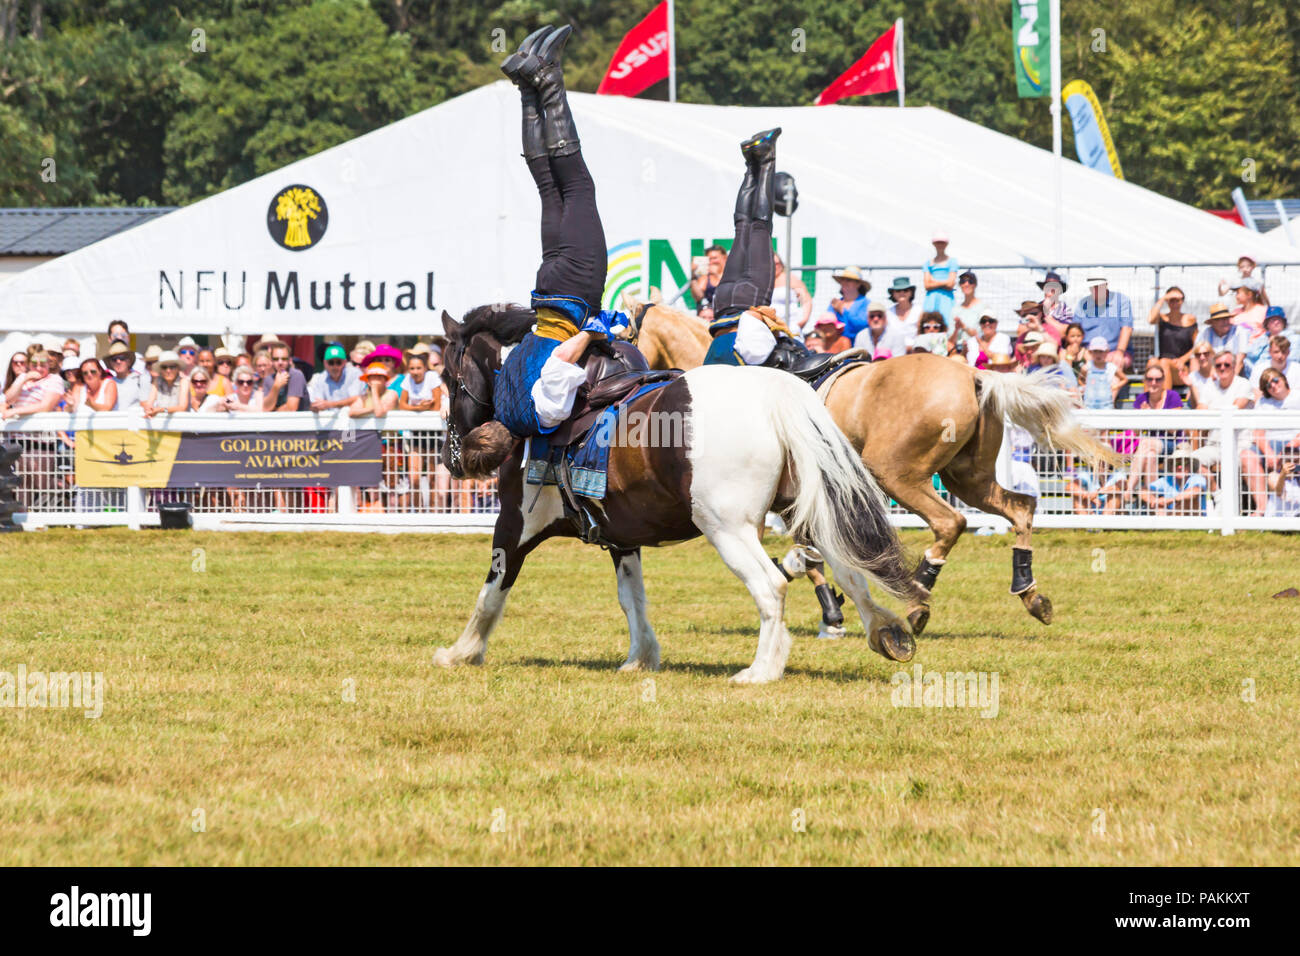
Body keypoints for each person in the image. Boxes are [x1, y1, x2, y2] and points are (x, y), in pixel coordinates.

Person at [698, 127, 827, 375]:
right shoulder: (713, 362)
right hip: (723, 301)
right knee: (747, 227)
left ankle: (761, 160)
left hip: (739, 307)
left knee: (756, 227)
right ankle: (757, 161)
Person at [1240, 368, 1300, 516]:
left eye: (1275, 380)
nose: (1273, 385)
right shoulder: (1263, 403)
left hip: (1295, 443)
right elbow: (1258, 433)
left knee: (1290, 456)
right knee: (1247, 456)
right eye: (1268, 385)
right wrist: (1269, 453)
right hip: (1270, 443)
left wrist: (1292, 445)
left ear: (1283, 379)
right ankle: (1262, 509)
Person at [1120, 366, 1184, 503]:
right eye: (1150, 379)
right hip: (1150, 447)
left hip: (1172, 443)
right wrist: (1143, 416)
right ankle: (1151, 501)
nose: (1153, 383)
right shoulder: (1141, 398)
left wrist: (1152, 415)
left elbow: (1174, 429)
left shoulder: (1173, 396)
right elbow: (1136, 432)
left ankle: (1130, 488)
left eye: (1158, 379)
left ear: (1163, 381)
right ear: (1145, 381)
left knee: (1146, 443)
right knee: (1150, 456)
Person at [1075, 274, 1133, 370]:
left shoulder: (1122, 301)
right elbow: (1074, 329)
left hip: (1114, 351)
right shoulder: (1082, 304)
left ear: (1106, 284)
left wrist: (1119, 352)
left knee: (1116, 363)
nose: (1096, 289)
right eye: (1094, 286)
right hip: (1088, 352)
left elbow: (1127, 328)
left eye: (1099, 286)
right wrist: (1081, 350)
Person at [1147, 286, 1198, 387]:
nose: (1174, 304)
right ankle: (1145, 401)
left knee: (1164, 362)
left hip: (1180, 367)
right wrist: (1163, 298)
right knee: (1152, 362)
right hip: (1163, 363)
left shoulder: (1190, 319)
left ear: (1182, 301)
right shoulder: (1162, 318)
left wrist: (1182, 360)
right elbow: (1150, 319)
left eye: (1177, 300)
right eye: (1171, 300)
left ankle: (1168, 401)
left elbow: (1197, 346)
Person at [1, 349, 65, 419]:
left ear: (48, 365)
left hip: (41, 427)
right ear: (29, 365)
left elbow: (46, 407)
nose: (38, 368)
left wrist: (15, 411)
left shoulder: (54, 379)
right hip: (18, 428)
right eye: (34, 365)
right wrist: (24, 380)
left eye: (42, 365)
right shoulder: (22, 377)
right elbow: (9, 400)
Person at [1139, 451, 1208, 516]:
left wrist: (1170, 500)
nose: (1180, 467)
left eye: (1184, 463)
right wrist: (1154, 501)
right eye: (1176, 463)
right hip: (1172, 513)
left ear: (1190, 466)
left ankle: (1167, 522)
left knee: (1189, 499)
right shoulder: (1166, 479)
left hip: (1193, 516)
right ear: (1171, 467)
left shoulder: (1197, 478)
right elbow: (1143, 490)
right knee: (1156, 502)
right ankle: (1166, 523)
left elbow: (1195, 492)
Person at [818, 267, 871, 340]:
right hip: (837, 346)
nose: (844, 282)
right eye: (842, 280)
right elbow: (827, 324)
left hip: (859, 345)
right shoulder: (834, 304)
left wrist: (843, 311)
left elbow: (862, 325)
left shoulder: (866, 303)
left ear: (858, 284)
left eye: (848, 280)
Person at [1195, 303, 1248, 376]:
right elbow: (1194, 359)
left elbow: (1240, 361)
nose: (1225, 322)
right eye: (1220, 319)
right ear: (1212, 322)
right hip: (1209, 376)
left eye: (1226, 318)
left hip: (1234, 375)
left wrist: (1231, 382)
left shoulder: (1239, 331)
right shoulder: (1204, 334)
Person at [308, 343, 363, 411]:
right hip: (330, 419)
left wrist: (330, 404)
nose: (335, 366)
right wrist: (315, 407)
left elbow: (356, 398)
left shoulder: (355, 374)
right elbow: (316, 402)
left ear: (344, 362)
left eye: (338, 362)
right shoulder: (321, 378)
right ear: (325, 363)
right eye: (331, 362)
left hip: (353, 418)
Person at [770, 252, 813, 334]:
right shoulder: (763, 281)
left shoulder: (790, 278)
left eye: (778, 264)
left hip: (790, 326)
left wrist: (803, 320)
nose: (776, 266)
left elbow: (806, 300)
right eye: (773, 264)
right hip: (770, 327)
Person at [921, 231, 958, 322]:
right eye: (938, 242)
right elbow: (927, 285)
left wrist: (934, 281)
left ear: (946, 244)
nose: (940, 245)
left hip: (946, 299)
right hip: (931, 299)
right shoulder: (928, 263)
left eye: (942, 242)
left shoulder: (952, 261)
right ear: (934, 244)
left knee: (947, 322)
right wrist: (945, 282)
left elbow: (951, 284)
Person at [261, 342, 310, 412]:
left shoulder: (296, 375)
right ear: (271, 361)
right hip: (276, 422)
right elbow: (266, 408)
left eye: (284, 359)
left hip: (299, 421)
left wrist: (273, 411)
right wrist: (276, 386)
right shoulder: (268, 379)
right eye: (276, 359)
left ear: (289, 360)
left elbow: (291, 408)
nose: (280, 362)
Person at [1080, 336, 1125, 410]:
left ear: (1107, 352)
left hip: (1106, 404)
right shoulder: (1087, 367)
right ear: (1090, 352)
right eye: (1095, 351)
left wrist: (1115, 387)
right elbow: (1081, 379)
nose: (1098, 354)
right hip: (1089, 404)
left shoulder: (1111, 367)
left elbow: (1124, 379)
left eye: (1101, 351)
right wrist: (1084, 386)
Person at [142, 351, 190, 418]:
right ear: (160, 369)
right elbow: (149, 403)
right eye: (164, 367)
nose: (168, 370)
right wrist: (148, 410)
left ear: (178, 368)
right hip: (161, 425)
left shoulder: (184, 382)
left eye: (172, 367)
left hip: (182, 423)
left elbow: (182, 407)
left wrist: (161, 410)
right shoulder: (157, 381)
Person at [950, 270, 982, 357]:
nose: (966, 284)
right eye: (963, 281)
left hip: (976, 351)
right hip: (958, 351)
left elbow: (980, 336)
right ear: (960, 285)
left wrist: (963, 326)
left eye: (970, 281)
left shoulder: (983, 307)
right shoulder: (955, 310)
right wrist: (956, 329)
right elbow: (950, 340)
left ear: (975, 285)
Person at [1036, 270, 1073, 341]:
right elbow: (1023, 330)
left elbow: (1064, 333)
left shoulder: (1065, 309)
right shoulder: (1035, 307)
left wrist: (1046, 315)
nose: (1050, 291)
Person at [1177, 343, 1216, 408]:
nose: (1202, 357)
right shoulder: (1193, 377)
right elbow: (1195, 406)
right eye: (1198, 355)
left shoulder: (1219, 374)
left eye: (1205, 354)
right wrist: (1191, 386)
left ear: (1212, 355)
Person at [690, 245, 727, 312]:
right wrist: (693, 276)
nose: (711, 262)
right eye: (709, 259)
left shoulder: (732, 273)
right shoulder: (706, 277)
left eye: (715, 258)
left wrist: (717, 275)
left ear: (724, 258)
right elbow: (698, 297)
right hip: (712, 313)